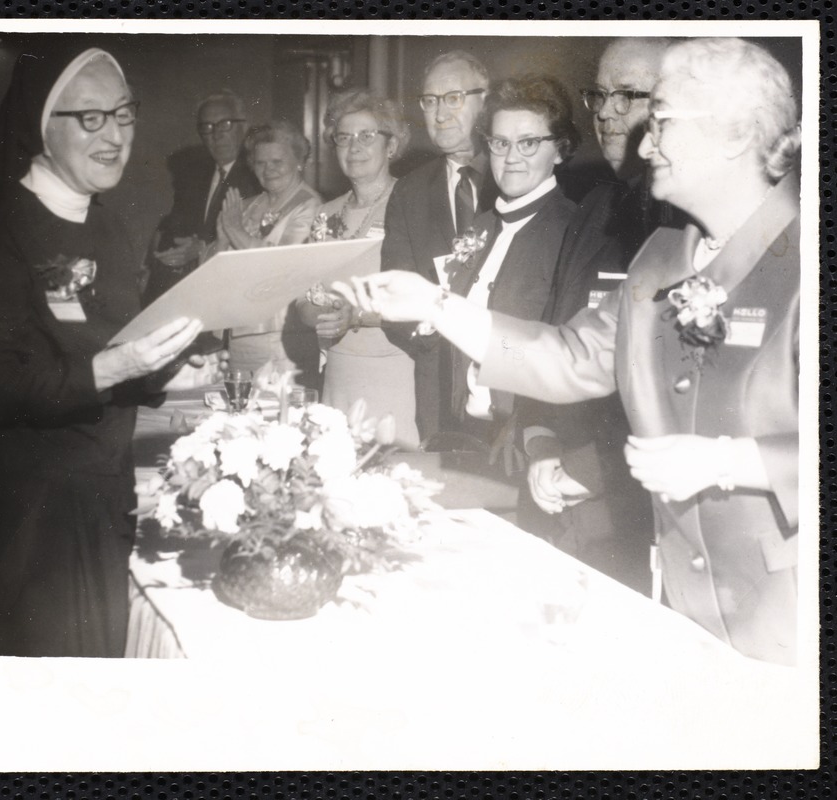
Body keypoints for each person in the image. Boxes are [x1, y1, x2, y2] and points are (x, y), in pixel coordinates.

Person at [343, 38, 802, 665]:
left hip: (793, 617)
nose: (643, 144)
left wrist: (731, 460)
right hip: (684, 607)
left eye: (662, 123)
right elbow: (568, 356)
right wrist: (433, 305)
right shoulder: (663, 257)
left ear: (734, 133)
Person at [0, 47, 222, 657]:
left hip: (101, 496)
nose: (115, 135)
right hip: (32, 517)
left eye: (124, 113)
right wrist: (110, 369)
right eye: (91, 118)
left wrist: (167, 370)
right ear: (42, 127)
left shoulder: (105, 223)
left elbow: (93, 345)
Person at [517, 38, 675, 593]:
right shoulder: (596, 208)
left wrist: (585, 465)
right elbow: (558, 335)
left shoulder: (683, 223)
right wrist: (540, 440)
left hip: (636, 506)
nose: (607, 113)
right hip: (562, 493)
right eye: (600, 95)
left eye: (628, 96)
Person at [443, 74, 578, 476]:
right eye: (500, 143)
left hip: (526, 447)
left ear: (560, 150)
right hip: (467, 435)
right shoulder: (481, 227)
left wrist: (526, 428)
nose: (512, 157)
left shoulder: (575, 232)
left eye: (529, 142)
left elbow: (570, 357)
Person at [380, 50, 497, 443]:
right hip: (437, 395)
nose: (440, 113)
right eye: (430, 101)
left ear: (486, 101)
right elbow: (393, 292)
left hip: (511, 393)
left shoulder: (516, 176)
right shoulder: (410, 191)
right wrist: (433, 334)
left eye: (454, 98)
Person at [294, 89, 419, 449]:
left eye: (367, 136)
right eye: (344, 138)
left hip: (392, 370)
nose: (355, 147)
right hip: (336, 370)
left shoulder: (412, 205)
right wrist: (318, 315)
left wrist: (356, 315)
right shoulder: (325, 214)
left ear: (391, 145)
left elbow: (421, 299)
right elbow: (305, 299)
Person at [215, 120, 323, 379]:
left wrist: (234, 231)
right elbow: (218, 273)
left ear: (299, 161)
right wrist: (221, 238)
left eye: (277, 161)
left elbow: (282, 266)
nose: (269, 169)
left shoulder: (310, 205)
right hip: (240, 332)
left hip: (282, 338)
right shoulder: (248, 206)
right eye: (261, 163)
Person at [142, 91, 261, 305]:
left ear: (243, 126)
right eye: (207, 128)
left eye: (225, 124)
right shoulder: (194, 174)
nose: (216, 134)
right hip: (190, 283)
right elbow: (176, 223)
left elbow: (259, 240)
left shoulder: (258, 174)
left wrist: (202, 247)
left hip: (232, 287)